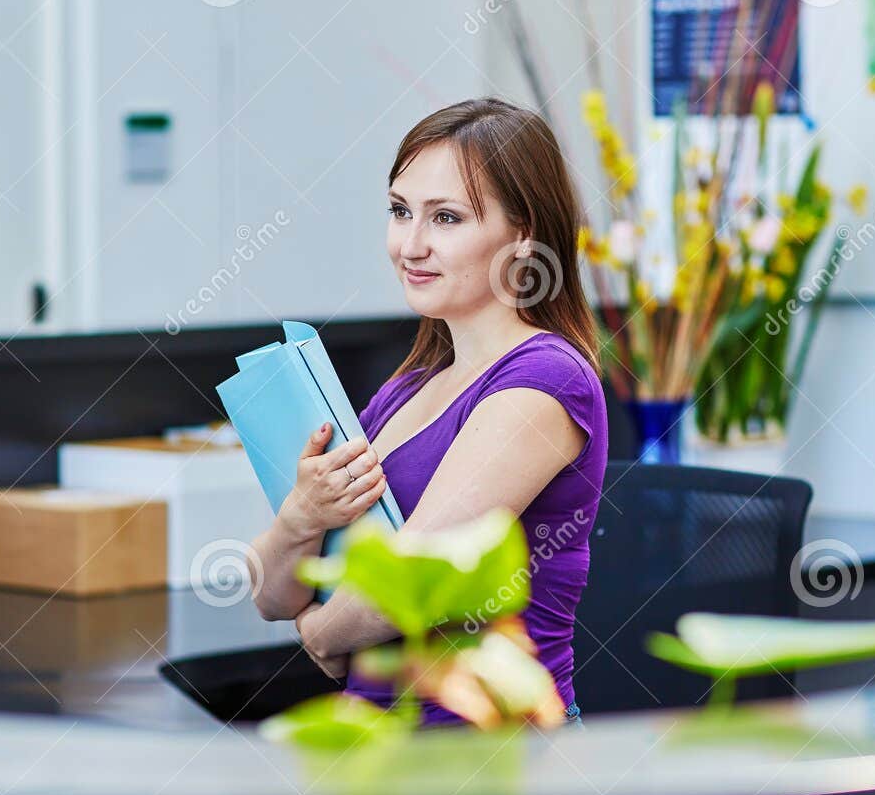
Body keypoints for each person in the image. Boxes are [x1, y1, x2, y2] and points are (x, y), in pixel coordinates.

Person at [250, 97, 608, 724]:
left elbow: (413, 586)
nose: (410, 245)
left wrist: (321, 633)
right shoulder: (409, 387)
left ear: (522, 234)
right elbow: (268, 595)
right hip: (384, 751)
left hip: (491, 760)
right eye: (399, 211)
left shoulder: (547, 380)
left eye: (446, 218)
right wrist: (300, 517)